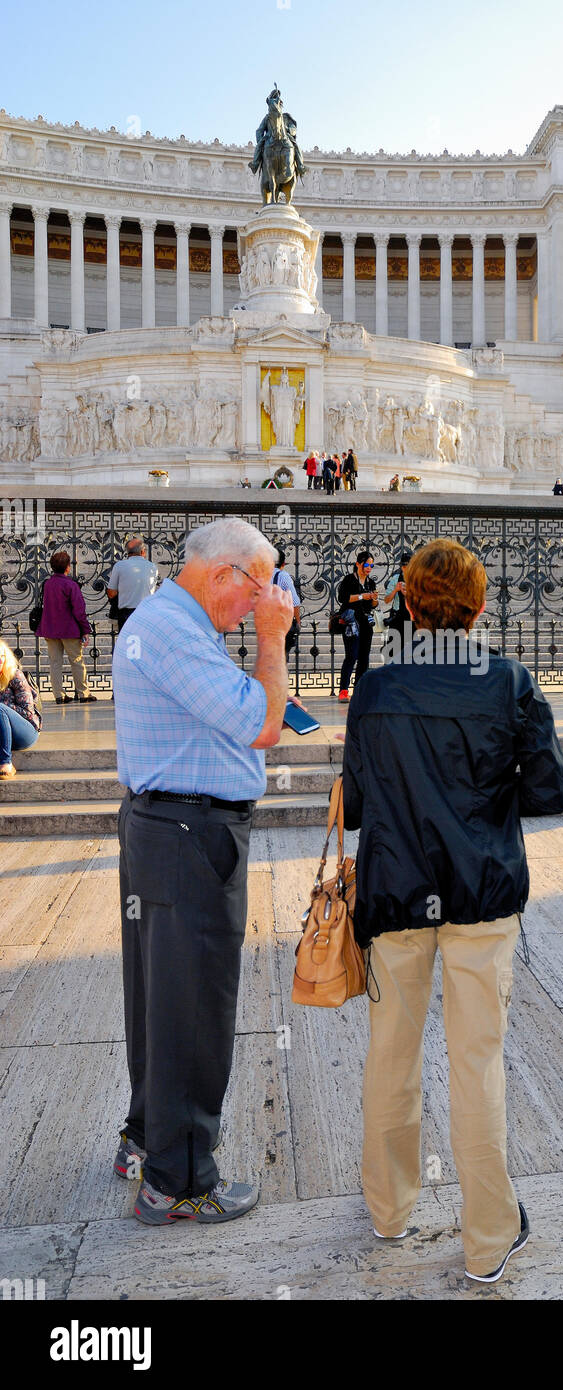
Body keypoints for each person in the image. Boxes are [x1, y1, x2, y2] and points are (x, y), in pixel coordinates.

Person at [343, 538, 563, 1284]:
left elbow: (358, 805)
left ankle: (389, 1211)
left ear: (407, 603)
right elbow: (549, 793)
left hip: (396, 891)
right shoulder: (507, 681)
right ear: (477, 609)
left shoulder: (375, 689)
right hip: (481, 893)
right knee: (477, 1063)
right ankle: (486, 1241)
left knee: (391, 1054)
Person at [112, 518, 300, 1225]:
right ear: (223, 574)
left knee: (161, 993)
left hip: (167, 827)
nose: (261, 605)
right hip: (189, 835)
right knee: (194, 1004)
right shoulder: (173, 630)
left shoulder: (172, 623)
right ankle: (179, 1179)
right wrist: (274, 641)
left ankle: (145, 1139)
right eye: (259, 590)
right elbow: (261, 725)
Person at [36, 550, 95, 704]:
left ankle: (59, 694)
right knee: (76, 660)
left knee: (55, 662)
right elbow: (79, 610)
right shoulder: (70, 585)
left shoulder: (48, 584)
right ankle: (83, 693)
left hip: (50, 628)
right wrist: (85, 630)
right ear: (68, 567)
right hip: (69, 629)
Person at [336, 549, 378, 701]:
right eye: (366, 564)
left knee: (364, 657)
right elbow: (343, 599)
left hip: (366, 623)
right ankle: (343, 691)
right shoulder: (349, 580)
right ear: (358, 564)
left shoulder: (371, 582)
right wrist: (362, 596)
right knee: (351, 656)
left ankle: (359, 690)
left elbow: (373, 605)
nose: (368, 568)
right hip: (351, 623)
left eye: (371, 566)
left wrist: (374, 598)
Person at [0, 638, 41, 780]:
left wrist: (4, 708)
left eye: (1, 657)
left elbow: (27, 713)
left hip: (25, 731)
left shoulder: (15, 675)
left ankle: (6, 763)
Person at [107, 537, 160, 631]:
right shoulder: (152, 567)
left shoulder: (120, 566)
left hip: (126, 614)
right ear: (143, 552)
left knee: (126, 643)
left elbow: (111, 592)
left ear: (127, 552)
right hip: (146, 612)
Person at [272, 546, 302, 662]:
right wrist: (298, 621)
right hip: (280, 621)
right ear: (283, 564)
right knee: (281, 658)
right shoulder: (282, 576)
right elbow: (294, 601)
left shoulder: (261, 575)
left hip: (265, 622)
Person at [383, 550, 412, 633]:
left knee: (412, 645)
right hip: (397, 617)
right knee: (395, 645)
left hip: (412, 617)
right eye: (403, 566)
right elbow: (386, 600)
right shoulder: (396, 578)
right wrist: (395, 590)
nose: (406, 568)